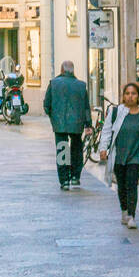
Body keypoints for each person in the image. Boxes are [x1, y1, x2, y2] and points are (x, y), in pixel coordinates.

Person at [98, 81, 139, 229]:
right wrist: (103, 148)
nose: (130, 96)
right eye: (127, 93)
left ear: (138, 96)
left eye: (133, 93)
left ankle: (131, 216)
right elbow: (107, 131)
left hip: (137, 155)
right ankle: (124, 211)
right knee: (122, 185)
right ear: (123, 96)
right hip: (120, 155)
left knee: (131, 183)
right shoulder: (116, 112)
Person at [43, 60, 93, 191]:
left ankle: (64, 180)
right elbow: (86, 107)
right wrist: (88, 124)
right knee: (76, 149)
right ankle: (75, 176)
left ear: (61, 70)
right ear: (73, 71)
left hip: (59, 123)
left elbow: (46, 105)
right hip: (77, 123)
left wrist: (53, 116)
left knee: (62, 149)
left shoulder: (53, 83)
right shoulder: (81, 86)